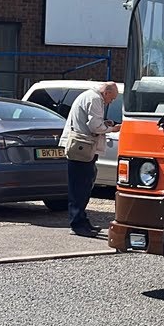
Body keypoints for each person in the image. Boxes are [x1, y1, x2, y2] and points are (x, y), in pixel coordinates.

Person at [59, 81, 121, 237]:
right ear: (106, 93)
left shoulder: (90, 97)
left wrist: (105, 124)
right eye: (111, 98)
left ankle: (82, 221)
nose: (111, 102)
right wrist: (113, 128)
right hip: (82, 148)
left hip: (84, 147)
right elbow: (95, 126)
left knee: (85, 185)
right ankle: (77, 224)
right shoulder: (94, 99)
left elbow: (92, 123)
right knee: (80, 187)